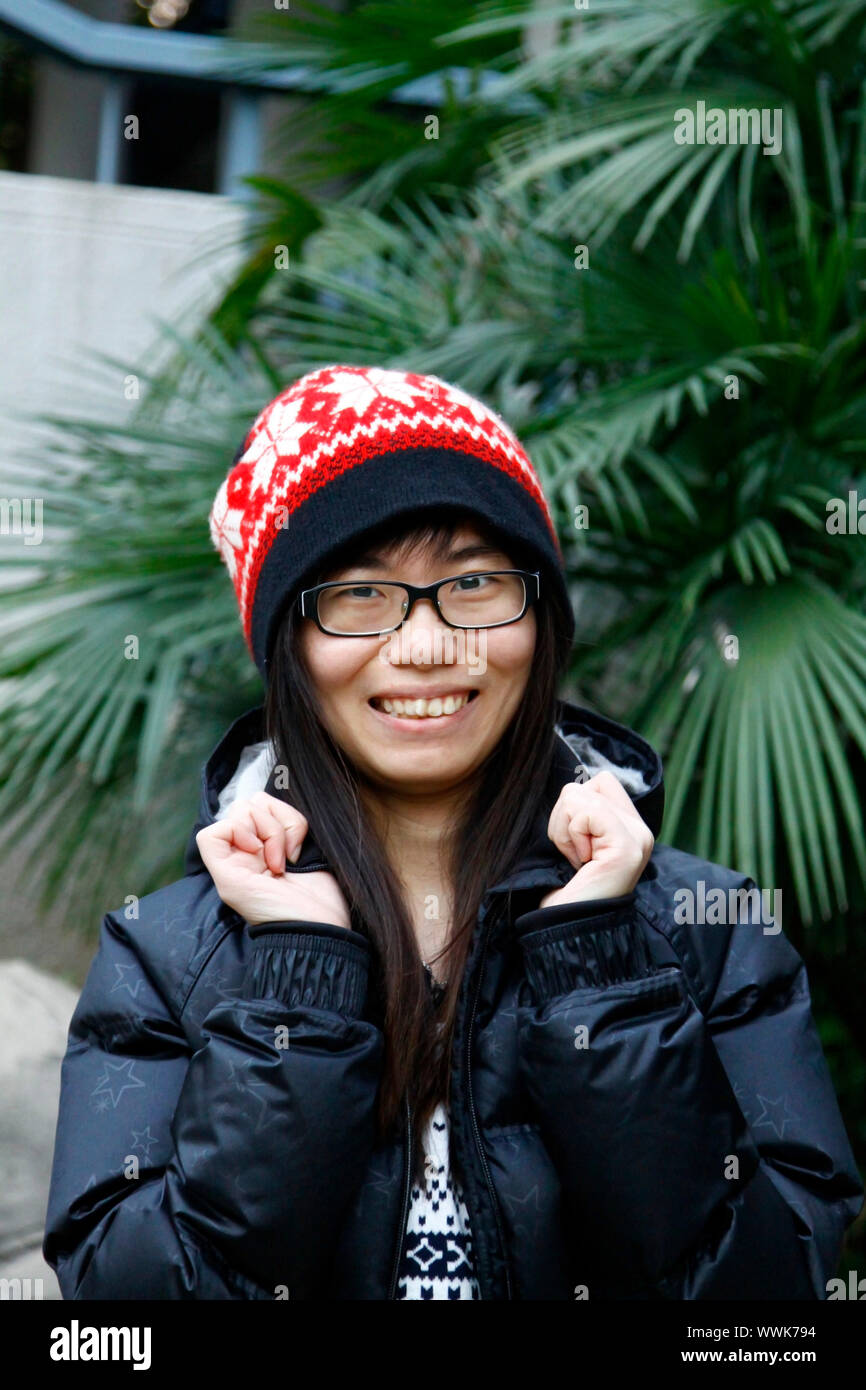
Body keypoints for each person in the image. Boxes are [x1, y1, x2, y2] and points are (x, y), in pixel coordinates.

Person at [43, 364, 863, 1300]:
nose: (428, 644)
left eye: (473, 581)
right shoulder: (169, 952)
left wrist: (598, 971)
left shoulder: (707, 929)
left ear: (541, 617)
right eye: (360, 592)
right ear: (289, 647)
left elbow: (768, 1310)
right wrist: (297, 979)